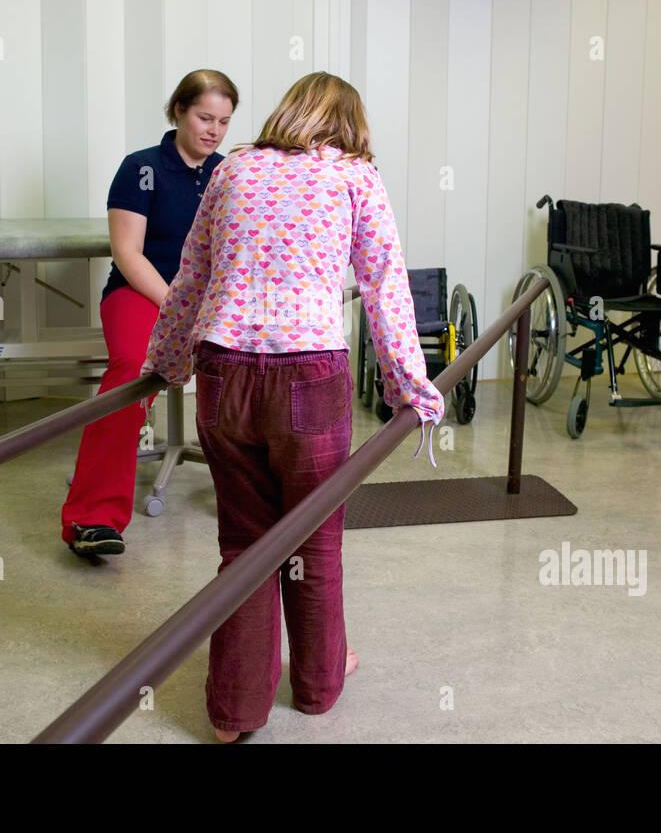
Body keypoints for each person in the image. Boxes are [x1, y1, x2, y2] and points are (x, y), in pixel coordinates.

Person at [142, 71, 445, 741]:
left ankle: (234, 711)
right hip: (307, 375)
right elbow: (385, 286)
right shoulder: (355, 177)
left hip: (223, 374)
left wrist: (166, 364)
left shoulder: (232, 171)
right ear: (351, 127)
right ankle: (317, 686)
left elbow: (192, 276)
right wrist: (412, 391)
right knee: (314, 540)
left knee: (245, 543)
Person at [60, 70, 238, 557]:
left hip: (210, 300)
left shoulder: (230, 172)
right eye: (205, 117)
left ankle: (263, 505)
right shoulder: (141, 168)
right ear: (178, 110)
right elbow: (128, 253)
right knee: (130, 372)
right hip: (141, 293)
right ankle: (91, 519)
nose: (214, 131)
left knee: (258, 369)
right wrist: (178, 308)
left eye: (224, 121)